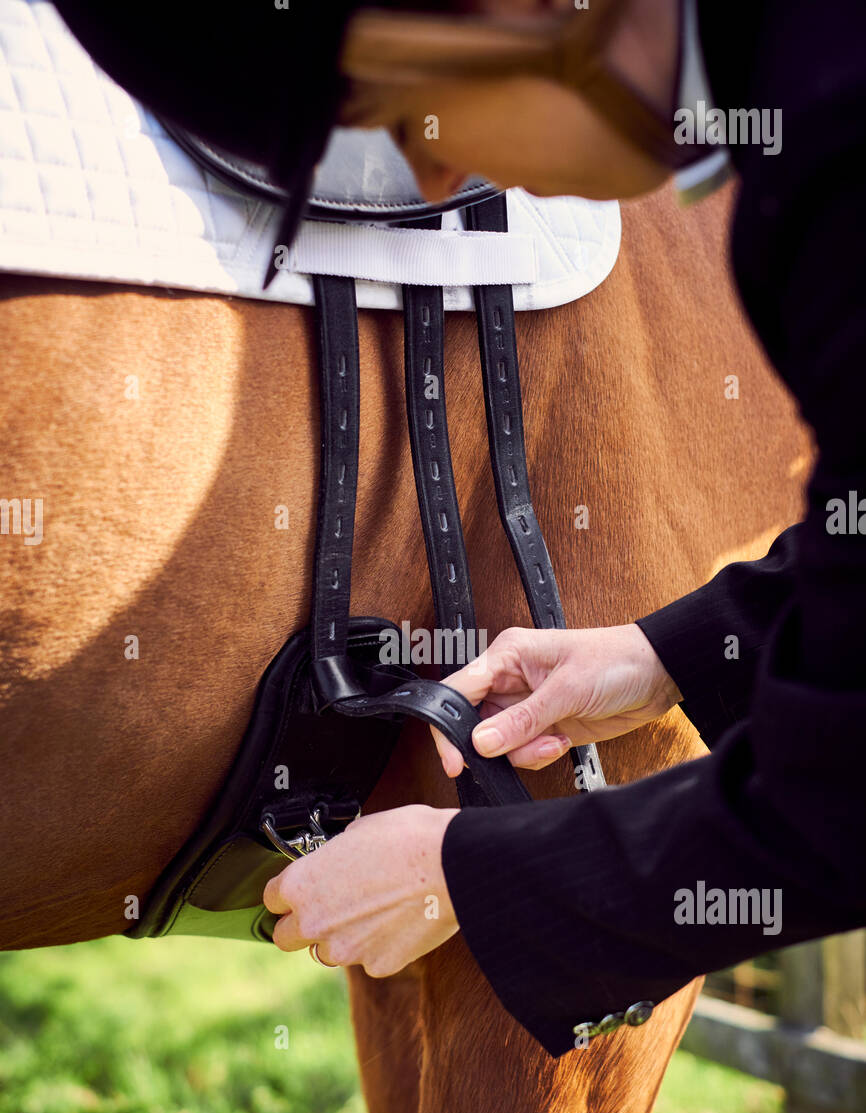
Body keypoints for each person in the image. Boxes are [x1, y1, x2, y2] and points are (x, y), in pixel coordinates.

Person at [56, 0, 866, 1057]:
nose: (436, 181)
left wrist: (464, 877)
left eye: (405, 116)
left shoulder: (834, 147)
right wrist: (659, 654)